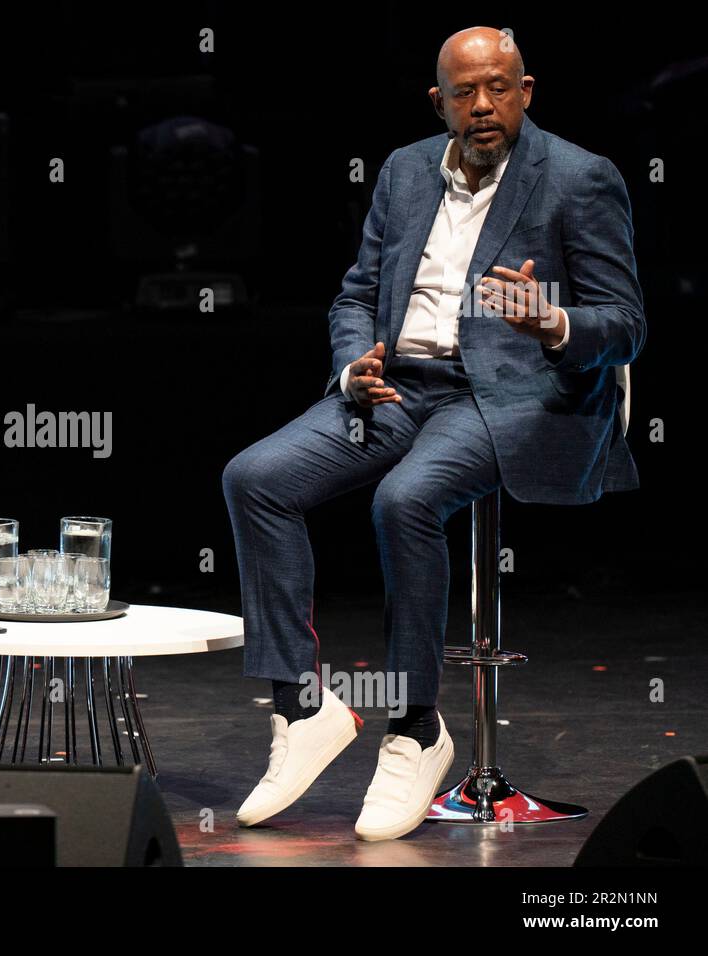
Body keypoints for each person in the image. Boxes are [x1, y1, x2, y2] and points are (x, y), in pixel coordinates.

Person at [222, 26, 643, 841]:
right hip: (397, 388)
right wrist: (354, 366)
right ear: (439, 100)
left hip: (505, 394)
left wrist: (550, 318)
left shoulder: (581, 178)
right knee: (254, 478)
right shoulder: (405, 170)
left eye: (499, 87)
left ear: (526, 90)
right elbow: (353, 294)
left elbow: (625, 325)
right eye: (465, 92)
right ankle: (303, 709)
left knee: (404, 499)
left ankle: (415, 728)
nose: (482, 105)